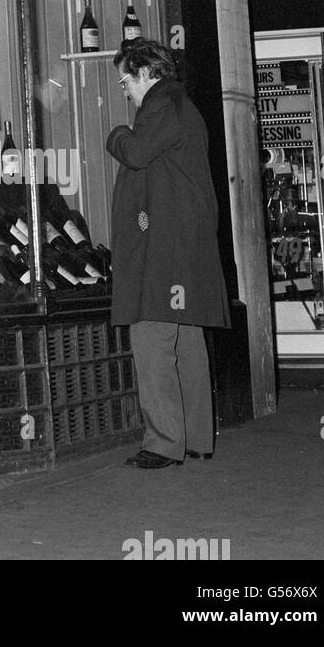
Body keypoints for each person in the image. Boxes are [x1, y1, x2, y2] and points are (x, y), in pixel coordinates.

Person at [106, 38, 230, 469]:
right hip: (185, 244)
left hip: (165, 248)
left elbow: (136, 153)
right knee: (186, 339)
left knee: (152, 336)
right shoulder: (183, 105)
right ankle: (194, 437)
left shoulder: (160, 103)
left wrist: (116, 134)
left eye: (125, 80)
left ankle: (162, 443)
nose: (125, 90)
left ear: (144, 73)